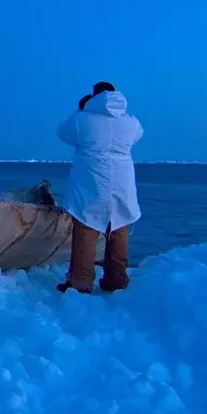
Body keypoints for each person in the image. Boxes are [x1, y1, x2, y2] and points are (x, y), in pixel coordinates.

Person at [55, 81, 144, 294]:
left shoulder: (83, 119)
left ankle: (81, 282)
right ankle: (117, 278)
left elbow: (62, 133)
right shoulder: (131, 122)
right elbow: (138, 136)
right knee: (119, 229)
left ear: (93, 96)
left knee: (86, 229)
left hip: (91, 182)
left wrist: (81, 108)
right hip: (122, 184)